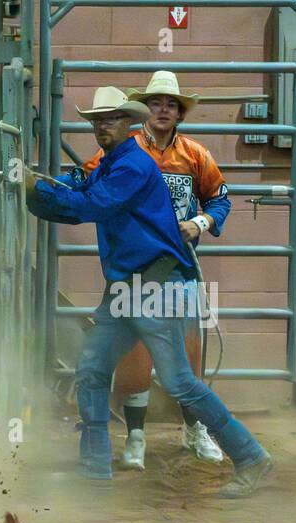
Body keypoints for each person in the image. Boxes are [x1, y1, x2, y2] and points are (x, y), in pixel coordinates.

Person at [25, 87, 272, 498]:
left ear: (127, 122)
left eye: (110, 118)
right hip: (134, 285)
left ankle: (250, 456)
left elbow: (92, 205)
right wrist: (38, 193)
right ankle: (94, 468)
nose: (101, 125)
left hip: (151, 284)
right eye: (96, 119)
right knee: (94, 370)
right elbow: (81, 190)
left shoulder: (132, 166)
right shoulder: (115, 162)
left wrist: (36, 193)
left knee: (177, 380)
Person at [78, 72, 231, 470]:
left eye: (171, 104)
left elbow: (219, 198)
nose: (164, 110)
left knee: (190, 355)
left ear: (180, 113)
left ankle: (194, 430)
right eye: (157, 103)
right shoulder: (123, 154)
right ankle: (136, 436)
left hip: (179, 268)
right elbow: (87, 179)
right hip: (136, 269)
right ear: (144, 110)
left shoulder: (195, 155)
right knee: (136, 352)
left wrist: (199, 223)